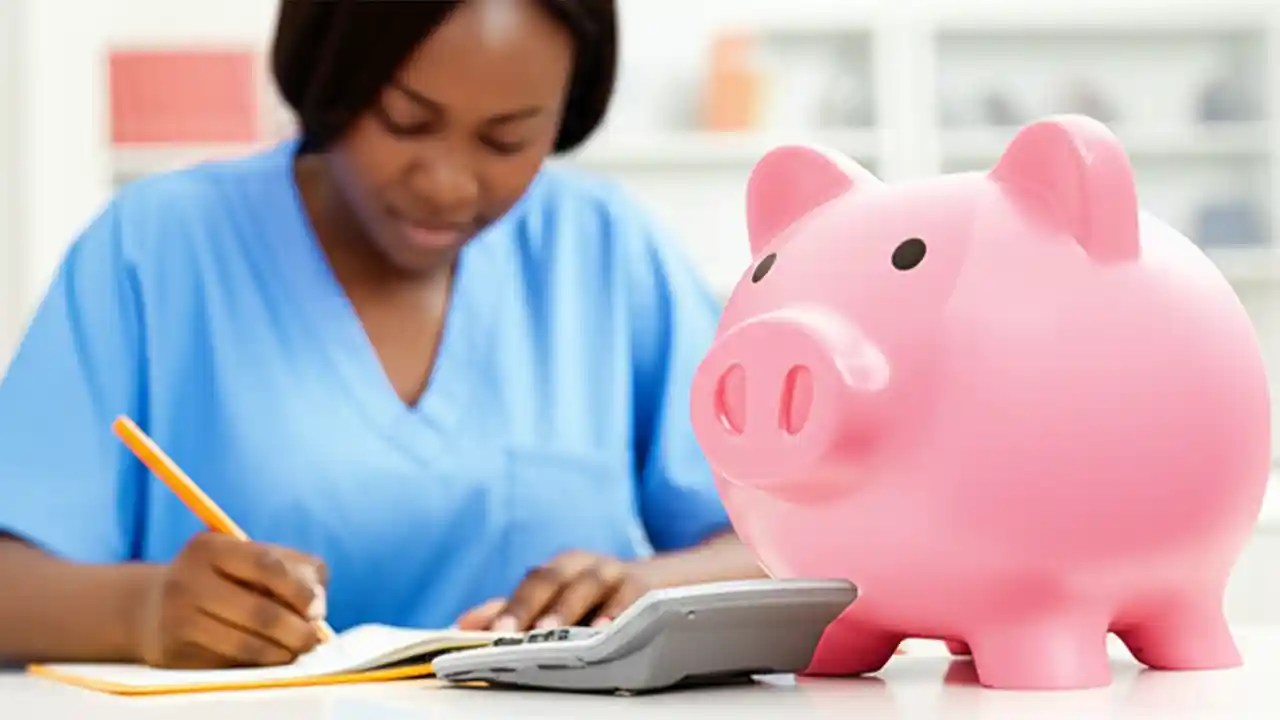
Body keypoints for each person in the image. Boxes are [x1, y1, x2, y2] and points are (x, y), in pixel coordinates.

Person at [0, 0, 764, 669]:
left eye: (506, 141)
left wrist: (651, 589)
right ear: (328, 77)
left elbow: (786, 547)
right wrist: (140, 612)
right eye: (405, 122)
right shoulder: (157, 248)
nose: (447, 184)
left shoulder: (604, 249)